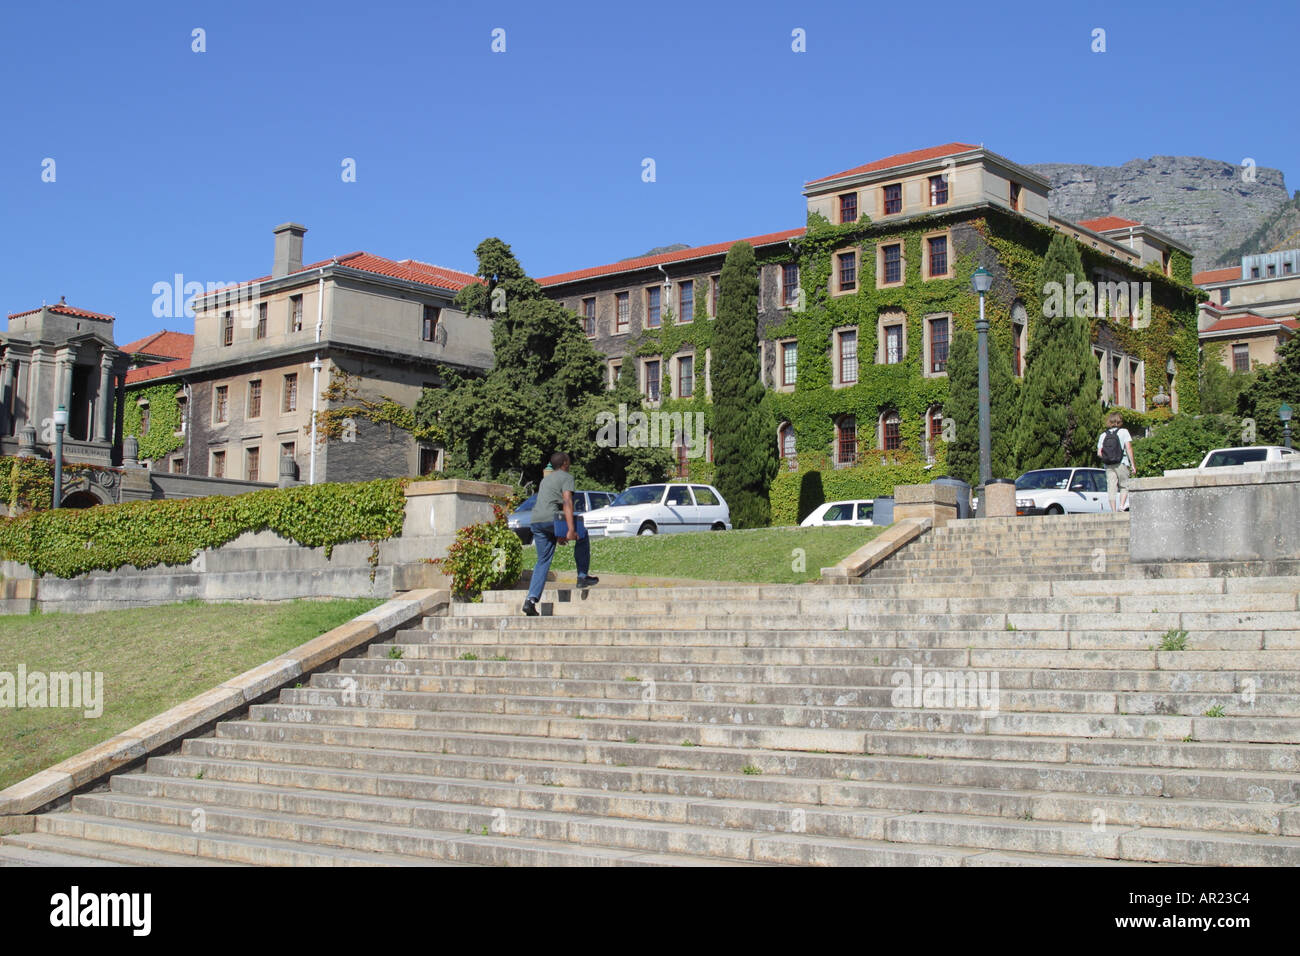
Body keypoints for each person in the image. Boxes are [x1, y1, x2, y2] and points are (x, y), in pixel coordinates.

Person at [523, 452, 598, 616]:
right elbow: (567, 501)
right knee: (582, 533)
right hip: (552, 519)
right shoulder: (566, 476)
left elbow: (547, 502)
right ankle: (582, 576)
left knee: (542, 561)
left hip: (536, 521)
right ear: (565, 463)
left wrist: (558, 534)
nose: (570, 462)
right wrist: (570, 530)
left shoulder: (545, 480)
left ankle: (531, 600)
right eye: (569, 460)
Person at [1097, 410, 1136, 512]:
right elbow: (1129, 448)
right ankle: (1121, 506)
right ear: (1119, 421)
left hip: (1108, 465)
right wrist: (1133, 465)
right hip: (1121, 462)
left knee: (1111, 488)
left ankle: (1113, 511)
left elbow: (1099, 453)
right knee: (1124, 485)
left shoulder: (1103, 435)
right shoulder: (1124, 432)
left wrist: (1108, 457)